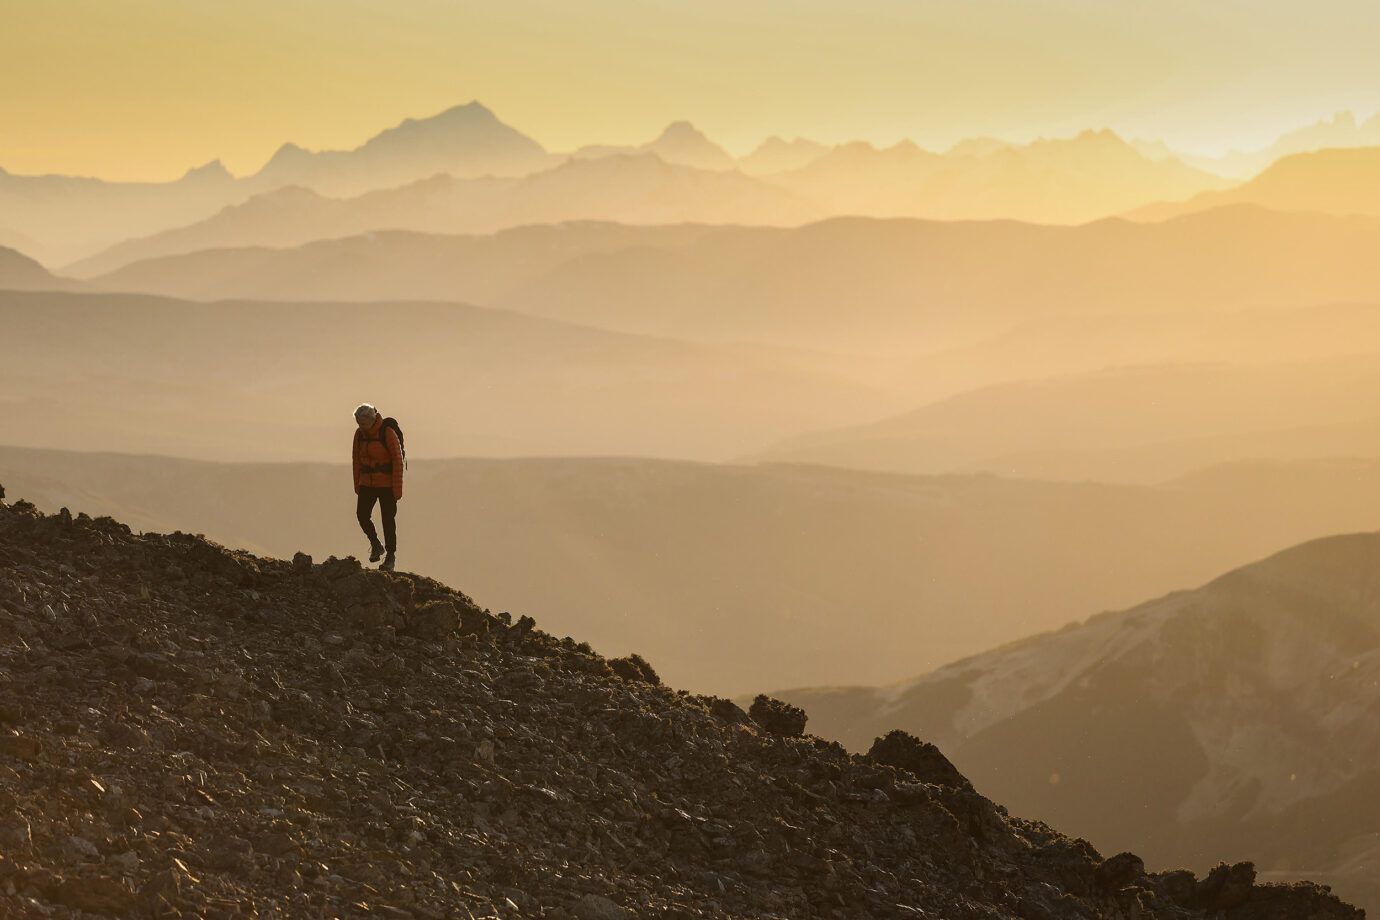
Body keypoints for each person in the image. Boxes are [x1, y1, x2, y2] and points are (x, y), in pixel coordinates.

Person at [352, 403, 402, 571]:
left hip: (387, 485)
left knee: (388, 520)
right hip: (367, 483)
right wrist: (357, 485)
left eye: (363, 423)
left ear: (372, 420)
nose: (361, 427)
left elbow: (397, 461)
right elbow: (356, 460)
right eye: (359, 423)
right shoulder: (359, 435)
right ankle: (375, 544)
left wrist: (397, 490)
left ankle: (390, 556)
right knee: (362, 515)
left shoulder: (387, 433)